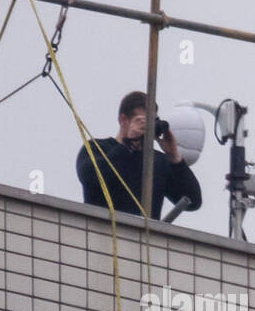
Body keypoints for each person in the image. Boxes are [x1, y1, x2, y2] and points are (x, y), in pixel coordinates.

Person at [75, 89, 202, 220]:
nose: (146, 128)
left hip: (143, 238)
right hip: (102, 233)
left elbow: (193, 201)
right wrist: (128, 144)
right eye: (142, 121)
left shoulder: (157, 161)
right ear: (123, 120)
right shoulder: (97, 148)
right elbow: (92, 178)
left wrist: (174, 157)